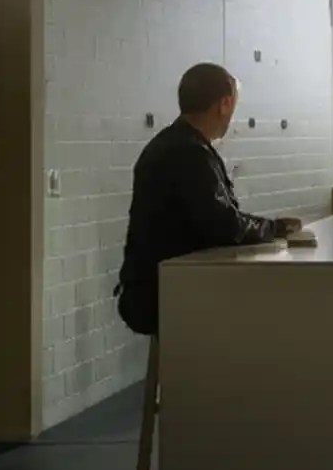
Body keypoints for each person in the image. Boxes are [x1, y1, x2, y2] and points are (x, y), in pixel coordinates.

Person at [115, 63, 301, 335]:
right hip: (167, 292)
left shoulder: (169, 143)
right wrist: (274, 229)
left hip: (150, 287)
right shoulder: (190, 153)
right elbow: (225, 225)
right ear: (224, 104)